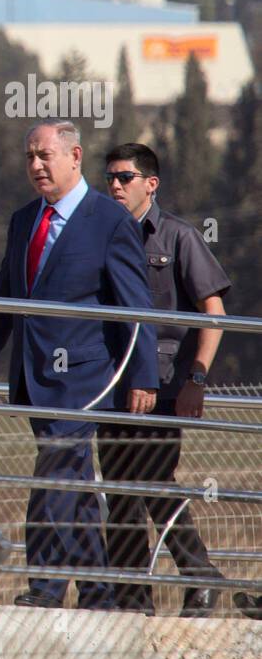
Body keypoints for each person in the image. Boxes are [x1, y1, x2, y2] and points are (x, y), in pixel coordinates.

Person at [0, 119, 159, 610]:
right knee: (74, 482)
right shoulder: (24, 219)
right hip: (34, 374)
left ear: (75, 156)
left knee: (54, 473)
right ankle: (98, 592)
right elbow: (7, 296)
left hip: (85, 377)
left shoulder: (109, 220)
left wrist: (142, 375)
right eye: (29, 157)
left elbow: (137, 306)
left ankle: (44, 589)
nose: (36, 165)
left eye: (45, 155)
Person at [101, 143, 229, 616]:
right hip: (110, 380)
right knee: (119, 490)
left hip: (163, 381)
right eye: (110, 177)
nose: (115, 185)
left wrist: (196, 377)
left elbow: (213, 312)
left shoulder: (178, 236)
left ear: (150, 184)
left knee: (154, 480)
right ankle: (136, 600)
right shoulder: (101, 234)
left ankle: (200, 577)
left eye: (125, 178)